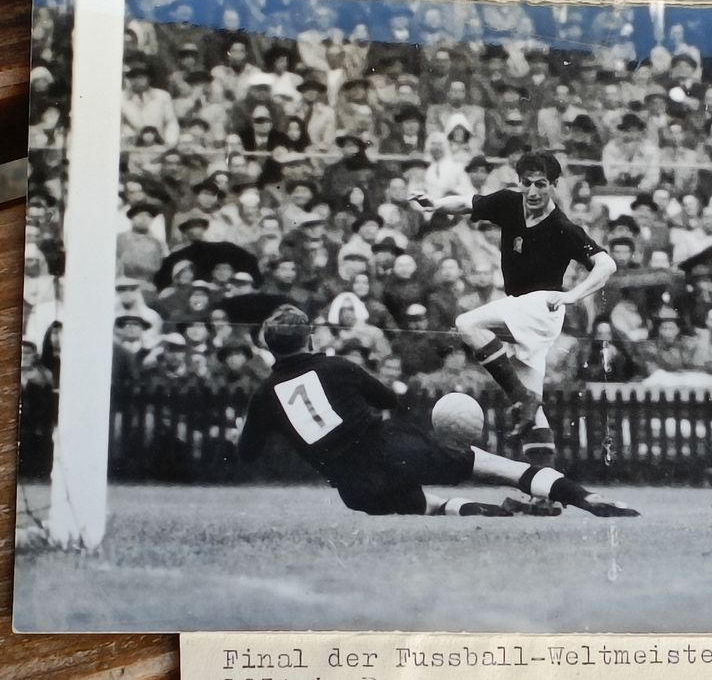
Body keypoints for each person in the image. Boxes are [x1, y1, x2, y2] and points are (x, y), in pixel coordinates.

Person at [238, 305, 639, 517]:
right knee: (498, 468)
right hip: (391, 448)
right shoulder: (335, 366)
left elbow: (246, 455)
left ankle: (461, 508)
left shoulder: (265, 394)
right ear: (309, 337)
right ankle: (586, 498)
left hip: (353, 488)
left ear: (271, 347)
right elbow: (387, 401)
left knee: (418, 503)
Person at [409, 151, 617, 470]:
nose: (533, 192)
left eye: (541, 184)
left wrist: (575, 294)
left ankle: (523, 397)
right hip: (521, 308)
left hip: (542, 306)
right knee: (534, 416)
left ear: (554, 185)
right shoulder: (509, 202)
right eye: (527, 184)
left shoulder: (563, 226)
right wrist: (437, 204)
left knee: (467, 323)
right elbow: (468, 201)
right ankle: (544, 492)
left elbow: (606, 263)